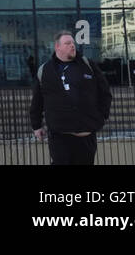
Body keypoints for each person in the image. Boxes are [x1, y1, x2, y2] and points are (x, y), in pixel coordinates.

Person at [30, 30, 112, 166]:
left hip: (85, 135)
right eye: (67, 43)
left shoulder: (87, 65)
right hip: (59, 135)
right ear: (57, 47)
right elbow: (38, 100)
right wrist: (36, 125)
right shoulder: (45, 71)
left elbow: (105, 92)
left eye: (73, 43)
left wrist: (102, 116)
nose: (72, 46)